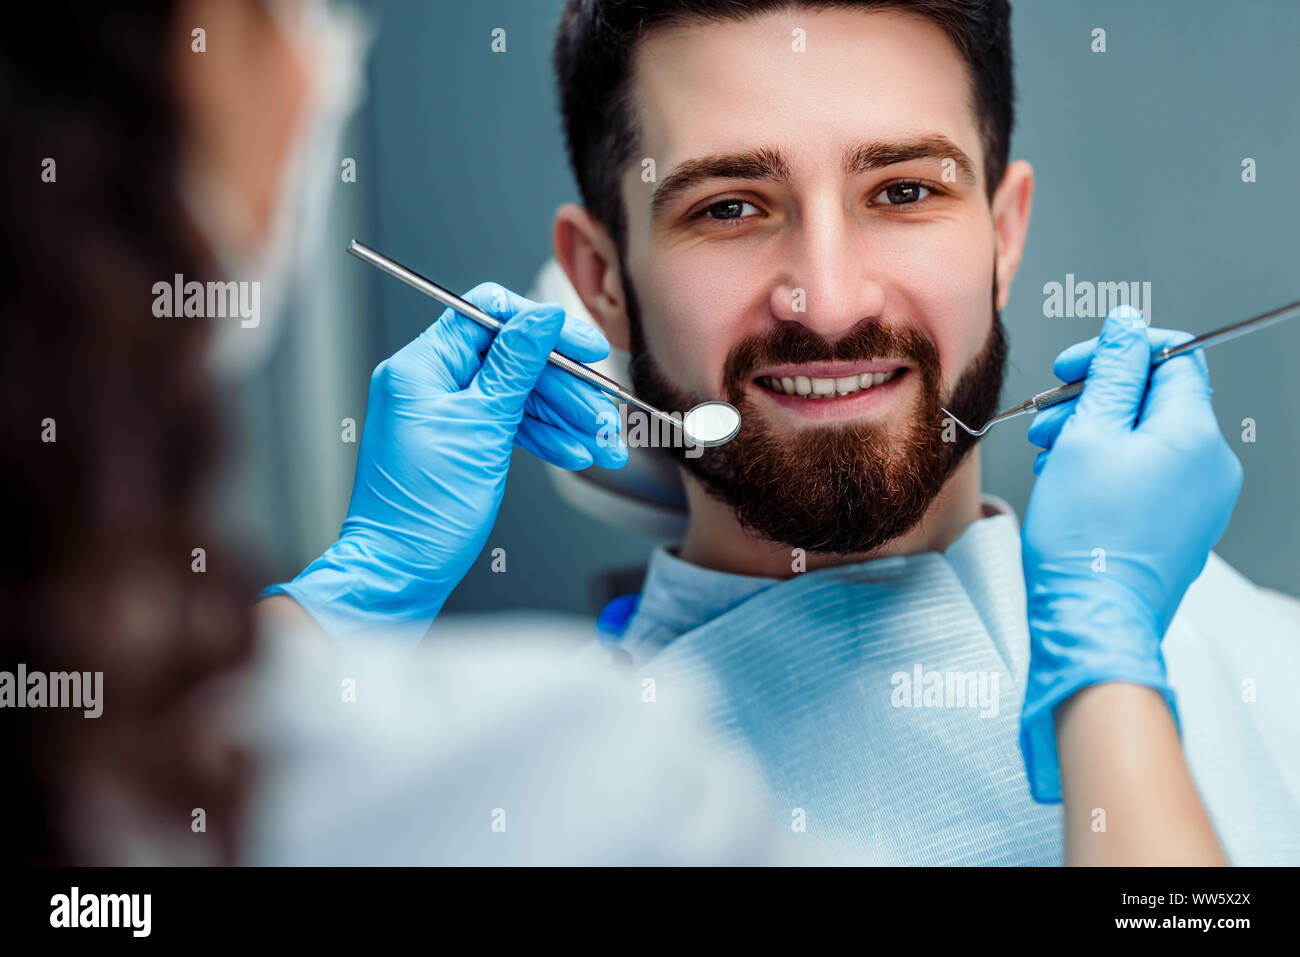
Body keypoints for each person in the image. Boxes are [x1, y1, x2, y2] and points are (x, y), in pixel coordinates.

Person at [0, 0, 1260, 867]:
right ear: (599, 280)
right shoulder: (521, 787)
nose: (826, 299)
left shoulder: (1264, 665)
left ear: (1006, 232)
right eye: (728, 206)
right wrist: (352, 596)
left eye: (904, 192)